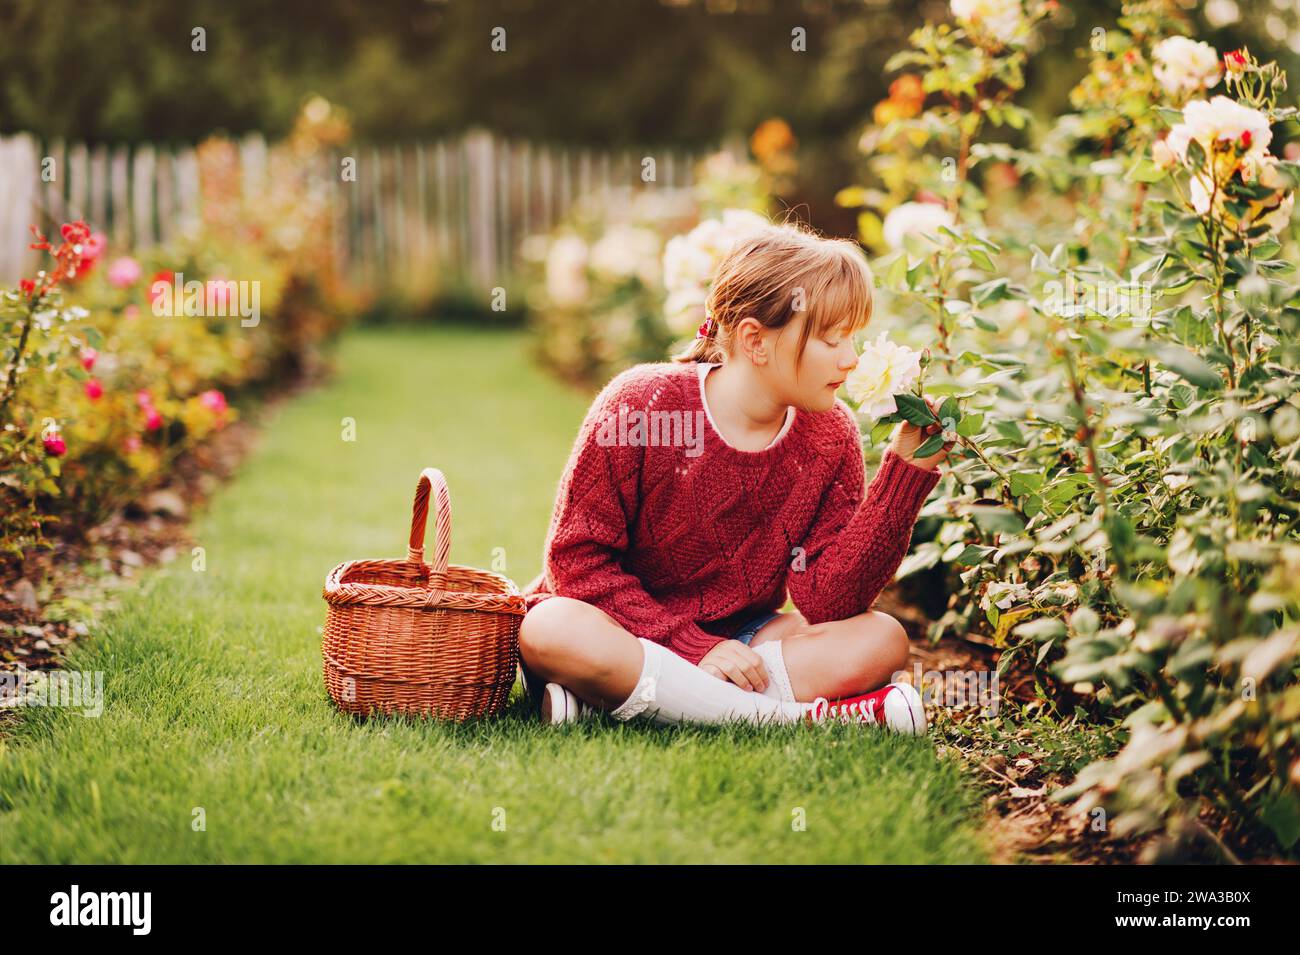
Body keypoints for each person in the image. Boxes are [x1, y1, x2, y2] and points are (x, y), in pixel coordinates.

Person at [518, 219, 953, 732]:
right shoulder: (642, 404)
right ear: (755, 341)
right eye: (832, 339)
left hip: (745, 638)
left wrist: (903, 480)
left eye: (853, 338)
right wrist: (690, 646)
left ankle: (612, 700)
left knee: (881, 639)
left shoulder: (830, 436)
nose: (852, 359)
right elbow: (576, 562)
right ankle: (796, 721)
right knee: (549, 626)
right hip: (620, 627)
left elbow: (827, 602)